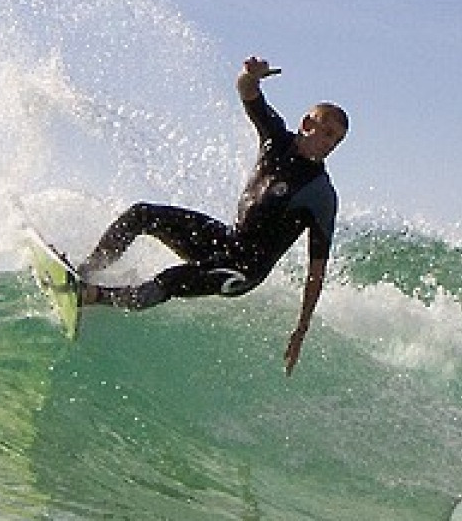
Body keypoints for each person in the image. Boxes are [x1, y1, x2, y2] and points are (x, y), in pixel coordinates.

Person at [76, 56, 349, 376]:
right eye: (327, 132)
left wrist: (300, 331)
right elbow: (247, 92)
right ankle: (87, 270)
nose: (330, 143)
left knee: (169, 281)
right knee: (142, 214)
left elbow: (316, 270)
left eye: (337, 140)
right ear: (307, 125)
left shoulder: (321, 195)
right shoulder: (277, 138)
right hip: (227, 239)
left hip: (244, 270)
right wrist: (250, 76)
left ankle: (94, 296)